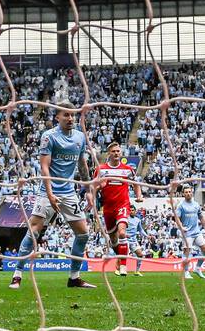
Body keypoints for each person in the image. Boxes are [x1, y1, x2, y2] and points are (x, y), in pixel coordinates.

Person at [9, 108, 97, 290]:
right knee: (34, 232)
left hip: (69, 193)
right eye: (66, 115)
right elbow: (44, 167)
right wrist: (49, 194)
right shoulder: (49, 136)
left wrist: (88, 189)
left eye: (72, 115)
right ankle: (17, 275)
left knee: (83, 234)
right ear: (57, 117)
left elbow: (82, 164)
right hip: (47, 192)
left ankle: (74, 278)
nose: (70, 118)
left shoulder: (80, 137)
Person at [91, 141, 136, 277]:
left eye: (118, 151)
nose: (116, 153)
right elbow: (93, 187)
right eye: (114, 151)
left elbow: (136, 183)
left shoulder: (127, 169)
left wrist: (139, 195)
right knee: (113, 239)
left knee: (122, 233)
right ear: (109, 153)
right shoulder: (101, 169)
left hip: (122, 205)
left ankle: (123, 266)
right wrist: (100, 186)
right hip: (108, 208)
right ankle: (120, 257)